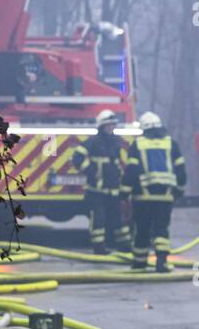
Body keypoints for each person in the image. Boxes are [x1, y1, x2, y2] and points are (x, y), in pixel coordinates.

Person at [123, 111, 187, 273]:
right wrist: (179, 190)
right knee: (161, 229)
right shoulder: (171, 144)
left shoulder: (138, 145)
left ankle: (139, 263)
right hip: (165, 197)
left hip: (142, 197)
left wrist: (124, 193)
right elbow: (181, 171)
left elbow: (131, 171)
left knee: (142, 230)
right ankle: (162, 262)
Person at [72, 109, 130, 254]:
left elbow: (116, 165)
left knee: (118, 219)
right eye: (108, 126)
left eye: (112, 125)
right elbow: (77, 158)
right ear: (101, 127)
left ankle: (124, 246)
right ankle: (99, 248)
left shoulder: (115, 143)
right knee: (98, 220)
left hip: (113, 189)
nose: (111, 128)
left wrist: (122, 182)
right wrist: (91, 171)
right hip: (96, 191)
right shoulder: (93, 142)